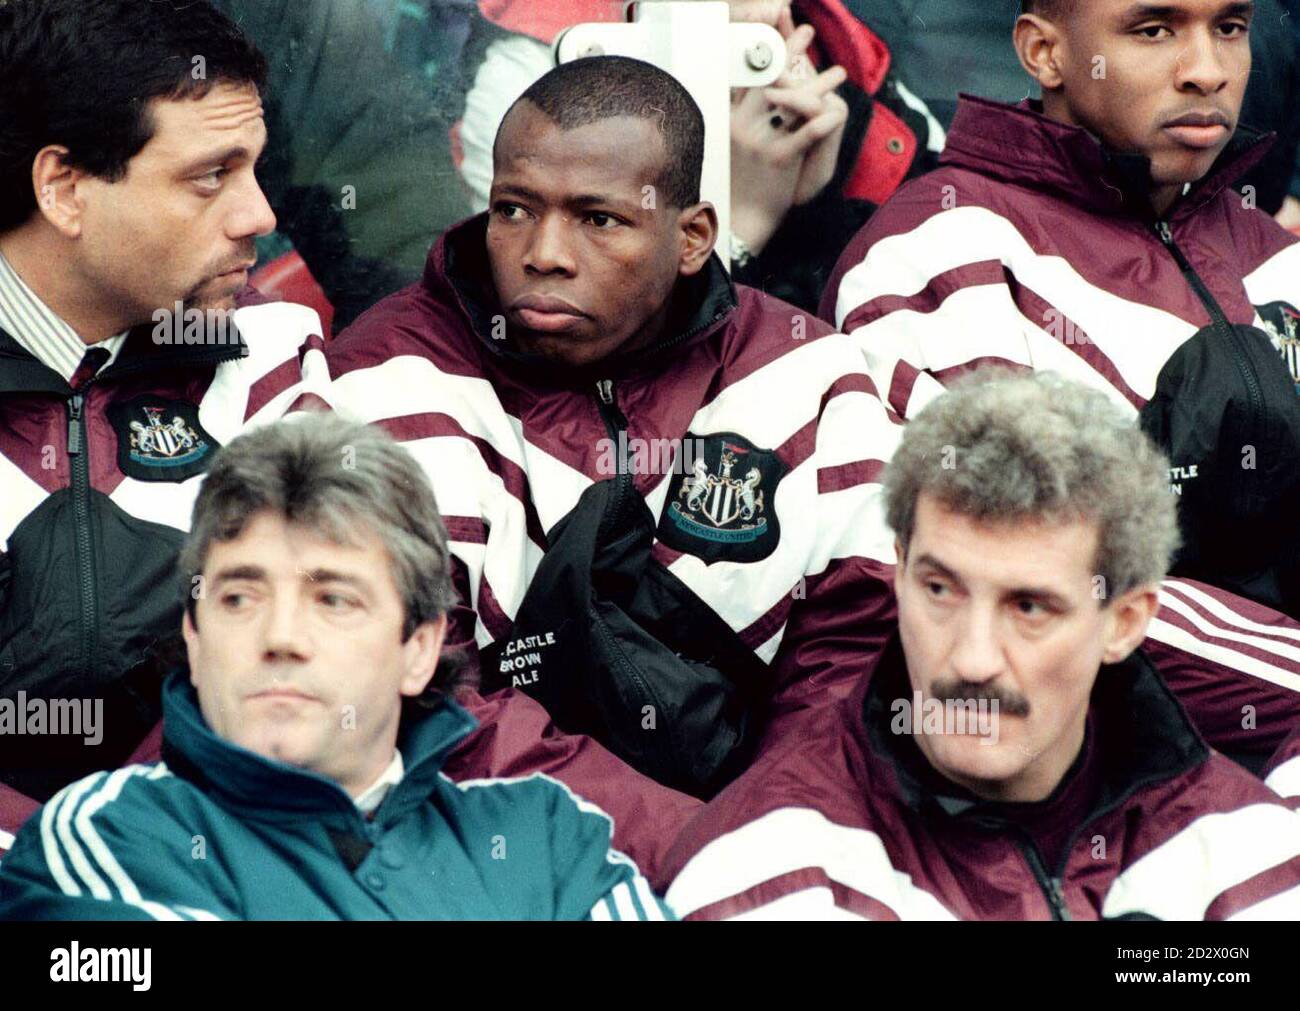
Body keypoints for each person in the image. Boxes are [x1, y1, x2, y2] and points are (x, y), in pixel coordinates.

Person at [325, 54, 902, 798]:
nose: (544, 255)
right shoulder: (387, 376)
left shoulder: (805, 376)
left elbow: (855, 669)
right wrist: (686, 845)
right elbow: (423, 704)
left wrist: (770, 838)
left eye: (598, 219)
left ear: (693, 237)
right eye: (514, 209)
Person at [663, 371, 1300, 920]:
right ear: (900, 568)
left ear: (1124, 623)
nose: (970, 660)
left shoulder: (1241, 850)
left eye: (1028, 607)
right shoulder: (771, 870)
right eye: (940, 589)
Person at [0, 416, 669, 920]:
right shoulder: (110, 835)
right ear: (195, 638)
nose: (281, 636)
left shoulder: (547, 834)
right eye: (239, 596)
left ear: (419, 647)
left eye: (333, 598)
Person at [820, 1, 1300, 619]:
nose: (1208, 72)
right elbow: (1012, 608)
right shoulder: (938, 259)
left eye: (1229, 29)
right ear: (1044, 53)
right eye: (1154, 31)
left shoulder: (1273, 252)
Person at [0, 0, 326, 807]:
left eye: (255, 167)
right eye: (211, 175)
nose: (261, 215)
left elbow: (325, 673)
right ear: (64, 190)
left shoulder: (270, 352)